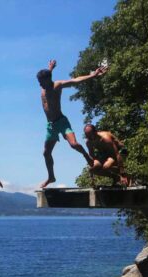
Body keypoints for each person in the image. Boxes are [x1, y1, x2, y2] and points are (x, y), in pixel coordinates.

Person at [37, 59, 107, 188]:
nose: (40, 85)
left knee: (74, 144)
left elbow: (76, 80)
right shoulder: (44, 85)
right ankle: (51, 177)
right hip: (51, 126)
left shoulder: (57, 85)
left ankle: (87, 157)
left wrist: (93, 75)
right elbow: (47, 75)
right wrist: (50, 68)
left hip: (62, 122)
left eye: (41, 82)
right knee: (46, 153)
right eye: (39, 82)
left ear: (48, 80)